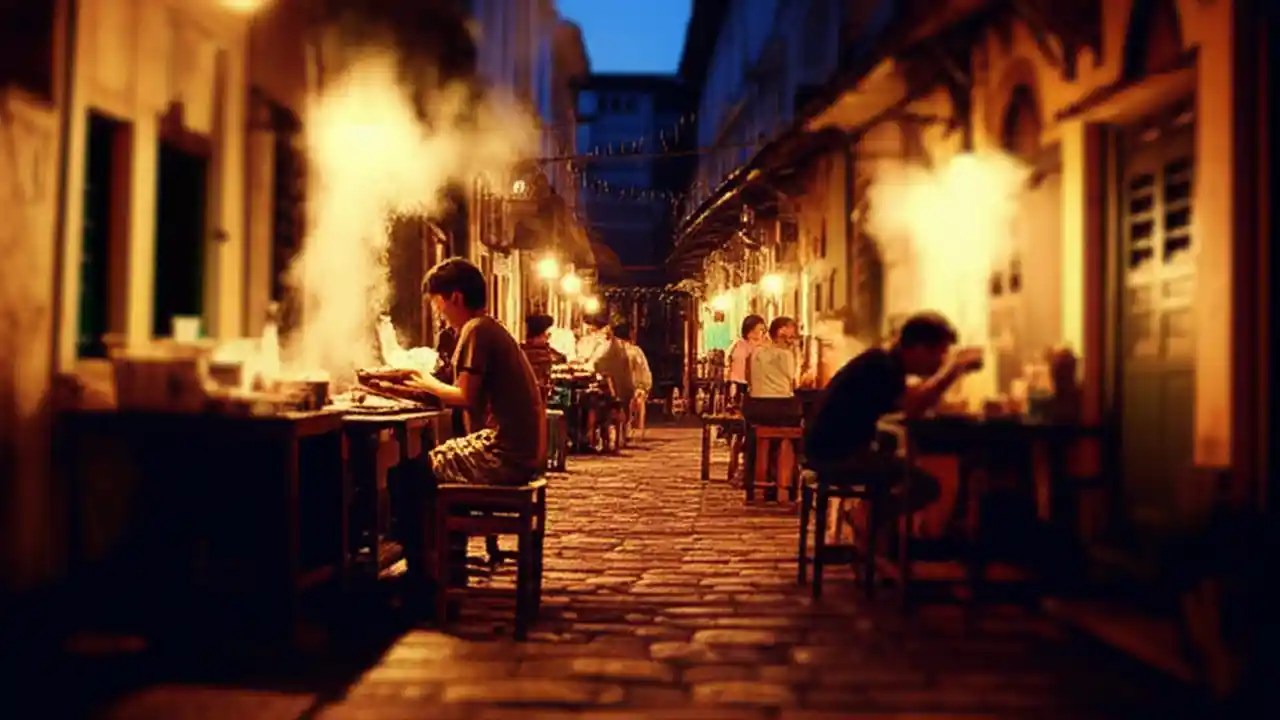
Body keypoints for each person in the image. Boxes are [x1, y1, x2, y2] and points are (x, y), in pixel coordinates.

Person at [804, 311, 983, 534]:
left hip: (828, 449)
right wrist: (954, 370)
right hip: (836, 455)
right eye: (939, 353)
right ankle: (868, 526)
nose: (940, 360)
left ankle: (875, 535)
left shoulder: (882, 363)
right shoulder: (882, 367)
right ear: (918, 348)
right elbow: (914, 407)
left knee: (899, 468)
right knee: (925, 486)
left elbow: (909, 400)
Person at [414, 258, 547, 486]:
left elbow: (464, 396)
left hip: (504, 457)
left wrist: (423, 379)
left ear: (455, 298)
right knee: (433, 456)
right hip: (522, 453)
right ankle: (454, 519)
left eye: (437, 304)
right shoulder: (488, 326)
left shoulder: (477, 329)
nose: (438, 314)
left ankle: (448, 521)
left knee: (415, 470)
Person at [743, 316, 802, 427]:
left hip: (755, 407)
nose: (793, 340)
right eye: (792, 336)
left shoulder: (756, 352)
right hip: (781, 408)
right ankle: (787, 443)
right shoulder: (786, 355)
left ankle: (756, 442)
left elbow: (748, 377)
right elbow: (793, 378)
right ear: (781, 333)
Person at [613, 323, 652, 439]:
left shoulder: (631, 351)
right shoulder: (634, 351)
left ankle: (630, 429)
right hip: (629, 387)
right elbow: (644, 371)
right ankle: (635, 430)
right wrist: (644, 386)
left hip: (625, 387)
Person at [521, 313, 566, 399]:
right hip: (535, 396)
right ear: (539, 334)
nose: (548, 336)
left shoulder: (523, 349)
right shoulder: (538, 352)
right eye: (546, 333)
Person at [726, 314, 766, 406]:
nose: (762, 333)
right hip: (736, 382)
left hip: (753, 385)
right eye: (760, 330)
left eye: (763, 330)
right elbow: (729, 361)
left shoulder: (762, 347)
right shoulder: (738, 344)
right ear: (750, 330)